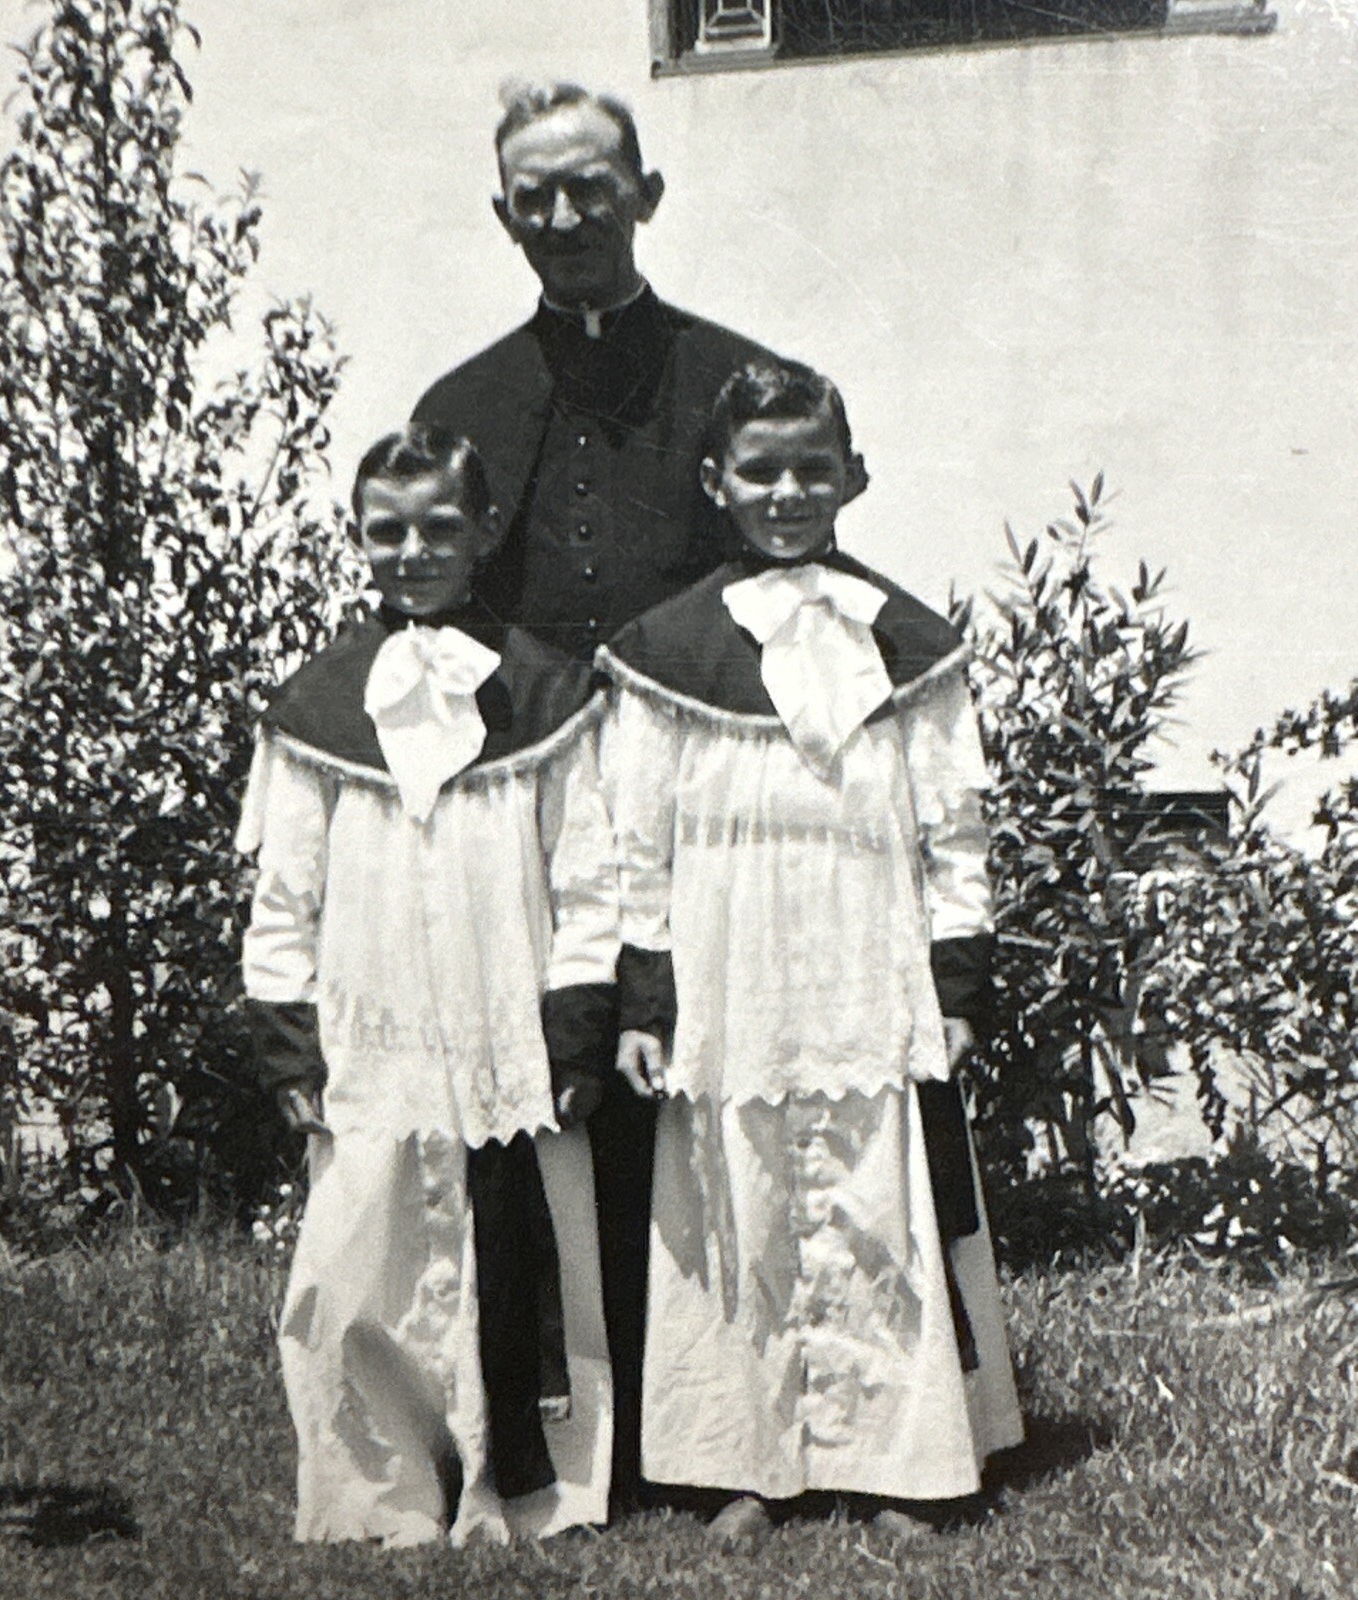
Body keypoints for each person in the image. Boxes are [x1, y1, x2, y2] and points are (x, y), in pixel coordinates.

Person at [413, 81, 867, 1510]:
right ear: (503, 217)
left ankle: (724, 1414)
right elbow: (431, 625)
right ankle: (545, 1412)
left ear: (646, 196)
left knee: (695, 1081)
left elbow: (798, 591)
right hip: (532, 796)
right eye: (534, 197)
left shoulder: (731, 381)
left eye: (591, 188)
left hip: (707, 794)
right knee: (537, 1081)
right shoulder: (463, 405)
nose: (564, 217)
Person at [597, 360, 1023, 1535]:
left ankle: (898, 1460)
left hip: (863, 966)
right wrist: (644, 1000)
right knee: (735, 1201)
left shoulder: (911, 645)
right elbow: (633, 845)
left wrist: (956, 984)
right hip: (729, 974)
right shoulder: (666, 652)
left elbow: (953, 829)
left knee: (875, 1200)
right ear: (715, 482)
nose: (786, 492)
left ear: (853, 477)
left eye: (811, 468)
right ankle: (745, 1458)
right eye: (760, 470)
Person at [236, 425, 619, 1545]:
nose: (413, 552)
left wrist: (574, 1028)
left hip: (504, 1027)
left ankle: (524, 1483)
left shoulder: (548, 696)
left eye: (439, 528)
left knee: (520, 1243)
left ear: (485, 530)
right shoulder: (318, 707)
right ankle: (386, 1485)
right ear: (357, 538)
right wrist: (290, 1043)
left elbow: (587, 880)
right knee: (368, 1255)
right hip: (377, 1028)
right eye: (387, 531)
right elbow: (284, 896)